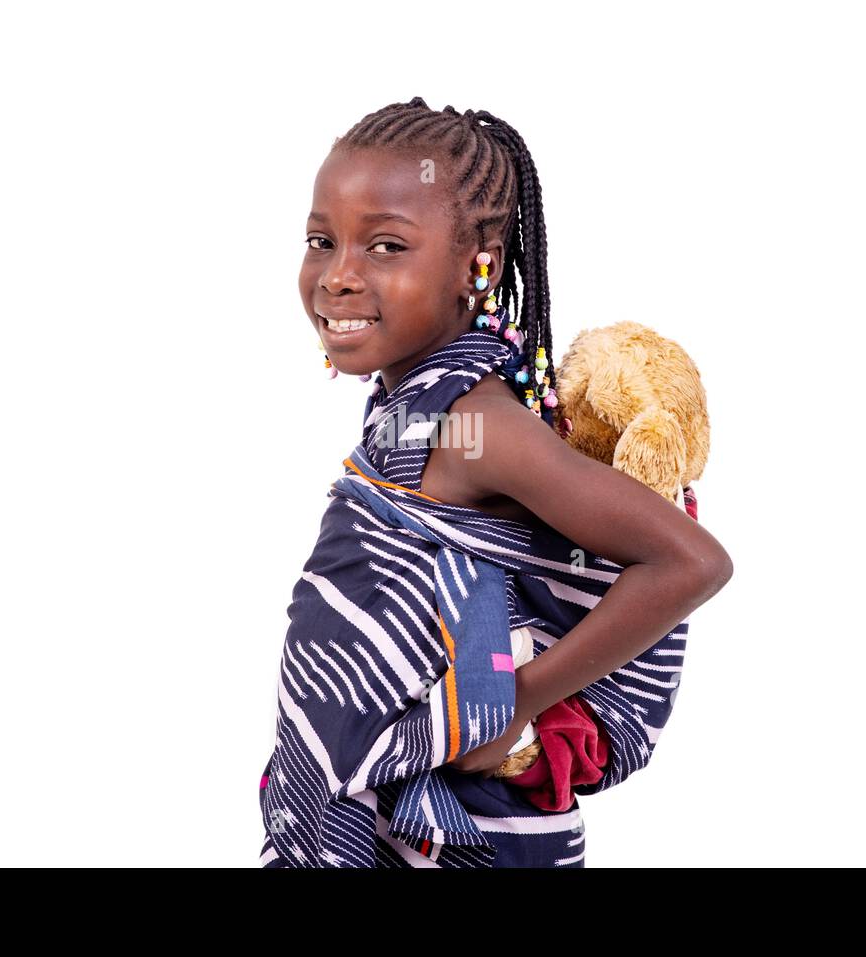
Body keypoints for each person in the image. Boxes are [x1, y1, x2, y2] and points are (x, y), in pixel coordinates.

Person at [258, 97, 732, 867]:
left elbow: (691, 561)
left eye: (385, 246)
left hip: (466, 838)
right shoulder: (417, 402)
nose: (338, 275)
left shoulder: (475, 424)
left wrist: (511, 700)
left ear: (476, 264)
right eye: (322, 240)